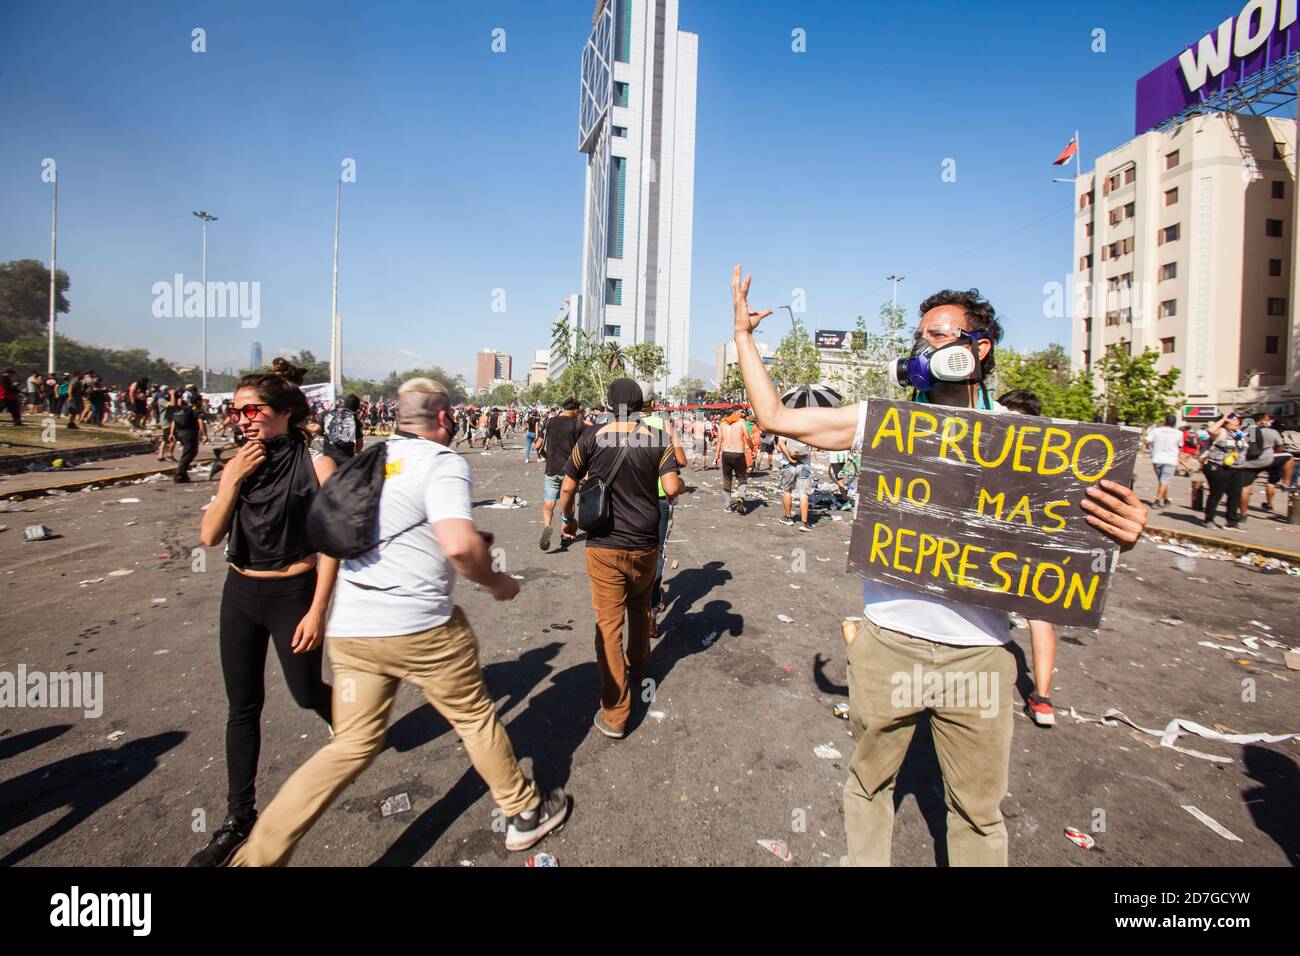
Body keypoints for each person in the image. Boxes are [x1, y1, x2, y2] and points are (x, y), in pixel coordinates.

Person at [730, 266, 1148, 865]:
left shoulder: (1027, 436)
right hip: (887, 645)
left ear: (979, 348)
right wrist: (744, 336)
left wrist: (1123, 534)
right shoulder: (887, 422)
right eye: (920, 339)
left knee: (979, 815)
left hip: (981, 654)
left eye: (940, 337)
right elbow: (774, 417)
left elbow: (1080, 533)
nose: (925, 349)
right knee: (868, 785)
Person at [224, 378, 568, 865]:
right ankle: (523, 812)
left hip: (355, 626)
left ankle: (256, 858)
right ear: (445, 418)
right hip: (421, 627)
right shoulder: (443, 463)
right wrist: (497, 583)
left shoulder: (376, 458)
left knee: (349, 748)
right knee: (472, 716)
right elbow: (457, 545)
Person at [188, 358, 338, 866]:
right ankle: (238, 819)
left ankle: (345, 716)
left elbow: (332, 546)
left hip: (293, 595)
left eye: (253, 410)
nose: (244, 419)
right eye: (237, 412)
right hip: (240, 594)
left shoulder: (316, 464)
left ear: (283, 413)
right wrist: (231, 479)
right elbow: (209, 536)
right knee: (242, 706)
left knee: (303, 691)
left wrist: (317, 610)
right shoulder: (236, 462)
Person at [555, 378, 682, 739]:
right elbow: (671, 488)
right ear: (641, 403)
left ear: (609, 402)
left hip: (604, 543)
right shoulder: (657, 438)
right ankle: (639, 666)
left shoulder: (592, 436)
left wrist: (569, 520)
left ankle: (615, 713)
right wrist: (680, 485)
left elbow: (567, 486)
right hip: (644, 542)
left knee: (608, 626)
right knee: (641, 607)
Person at [996, 389, 1059, 729]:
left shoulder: (991, 444)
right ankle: (1043, 699)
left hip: (996, 541)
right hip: (1035, 541)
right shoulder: (1050, 452)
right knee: (1039, 617)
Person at [640, 405, 687, 627]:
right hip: (659, 496)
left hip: (629, 497)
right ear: (652, 405)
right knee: (656, 551)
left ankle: (634, 600)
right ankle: (652, 605)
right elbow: (682, 460)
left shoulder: (619, 426)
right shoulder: (664, 425)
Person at [538, 398, 582, 552]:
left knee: (549, 504)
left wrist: (545, 456)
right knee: (567, 504)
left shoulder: (549, 422)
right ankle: (565, 535)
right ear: (576, 411)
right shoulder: (577, 425)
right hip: (569, 471)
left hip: (551, 469)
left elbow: (539, 444)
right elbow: (579, 450)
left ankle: (547, 525)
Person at [1202, 411, 1249, 531]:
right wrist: (1224, 419)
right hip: (1218, 467)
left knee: (1235, 495)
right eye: (1233, 420)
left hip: (1237, 468)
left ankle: (1232, 522)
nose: (1236, 422)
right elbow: (1211, 430)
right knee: (1216, 493)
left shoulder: (1240, 434)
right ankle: (1209, 519)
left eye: (1238, 420)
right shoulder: (1221, 432)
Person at [1241, 412, 1286, 516]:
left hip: (1250, 462)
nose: (1269, 421)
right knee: (1271, 482)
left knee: (1246, 487)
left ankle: (1243, 514)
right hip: (1269, 460)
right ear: (1262, 420)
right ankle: (1271, 502)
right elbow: (1280, 448)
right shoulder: (1272, 432)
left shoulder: (1248, 431)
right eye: (1268, 419)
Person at [714, 410, 750, 514]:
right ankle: (741, 498)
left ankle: (728, 505)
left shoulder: (722, 423)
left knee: (727, 479)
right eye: (741, 412)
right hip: (738, 453)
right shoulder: (742, 422)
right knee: (742, 477)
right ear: (735, 412)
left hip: (726, 453)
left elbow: (719, 440)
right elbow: (747, 437)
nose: (742, 414)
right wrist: (752, 450)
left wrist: (716, 456)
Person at [1143, 413, 1182, 508]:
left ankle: (1165, 499)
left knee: (1162, 481)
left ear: (1165, 421)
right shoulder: (1179, 433)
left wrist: (1152, 447)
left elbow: (1147, 441)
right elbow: (1180, 445)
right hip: (1170, 459)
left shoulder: (1156, 431)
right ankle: (1157, 501)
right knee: (1164, 481)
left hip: (1157, 459)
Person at [777, 436, 813, 531]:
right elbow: (811, 447)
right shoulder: (807, 428)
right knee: (803, 494)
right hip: (804, 466)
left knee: (787, 491)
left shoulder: (787, 427)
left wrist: (789, 457)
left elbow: (780, 443)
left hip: (789, 465)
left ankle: (787, 518)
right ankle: (804, 523)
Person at [169, 392, 207, 483]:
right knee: (189, 454)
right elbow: (201, 421)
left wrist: (172, 433)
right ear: (198, 401)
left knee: (187, 453)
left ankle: (183, 474)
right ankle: (179, 475)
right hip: (190, 434)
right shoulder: (197, 409)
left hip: (180, 433)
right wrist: (204, 434)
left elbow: (174, 421)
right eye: (201, 400)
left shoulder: (183, 409)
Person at [322, 394, 364, 465]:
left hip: (327, 458)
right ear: (357, 407)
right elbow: (359, 445)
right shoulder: (355, 421)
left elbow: (318, 429)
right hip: (344, 461)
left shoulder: (330, 414)